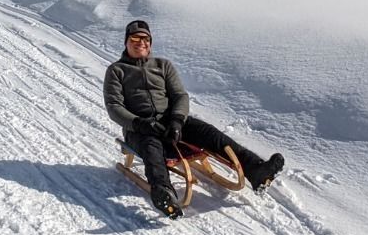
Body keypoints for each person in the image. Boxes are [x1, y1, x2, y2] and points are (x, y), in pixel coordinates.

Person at [104, 18, 285, 219]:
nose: (141, 43)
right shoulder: (116, 71)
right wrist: (139, 123)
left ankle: (255, 169)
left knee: (210, 134)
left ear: (150, 42)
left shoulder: (163, 65)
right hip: (139, 128)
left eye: (145, 38)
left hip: (170, 120)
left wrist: (176, 120)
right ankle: (164, 192)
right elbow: (114, 107)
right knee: (151, 148)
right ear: (126, 42)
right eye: (135, 38)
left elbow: (180, 96)